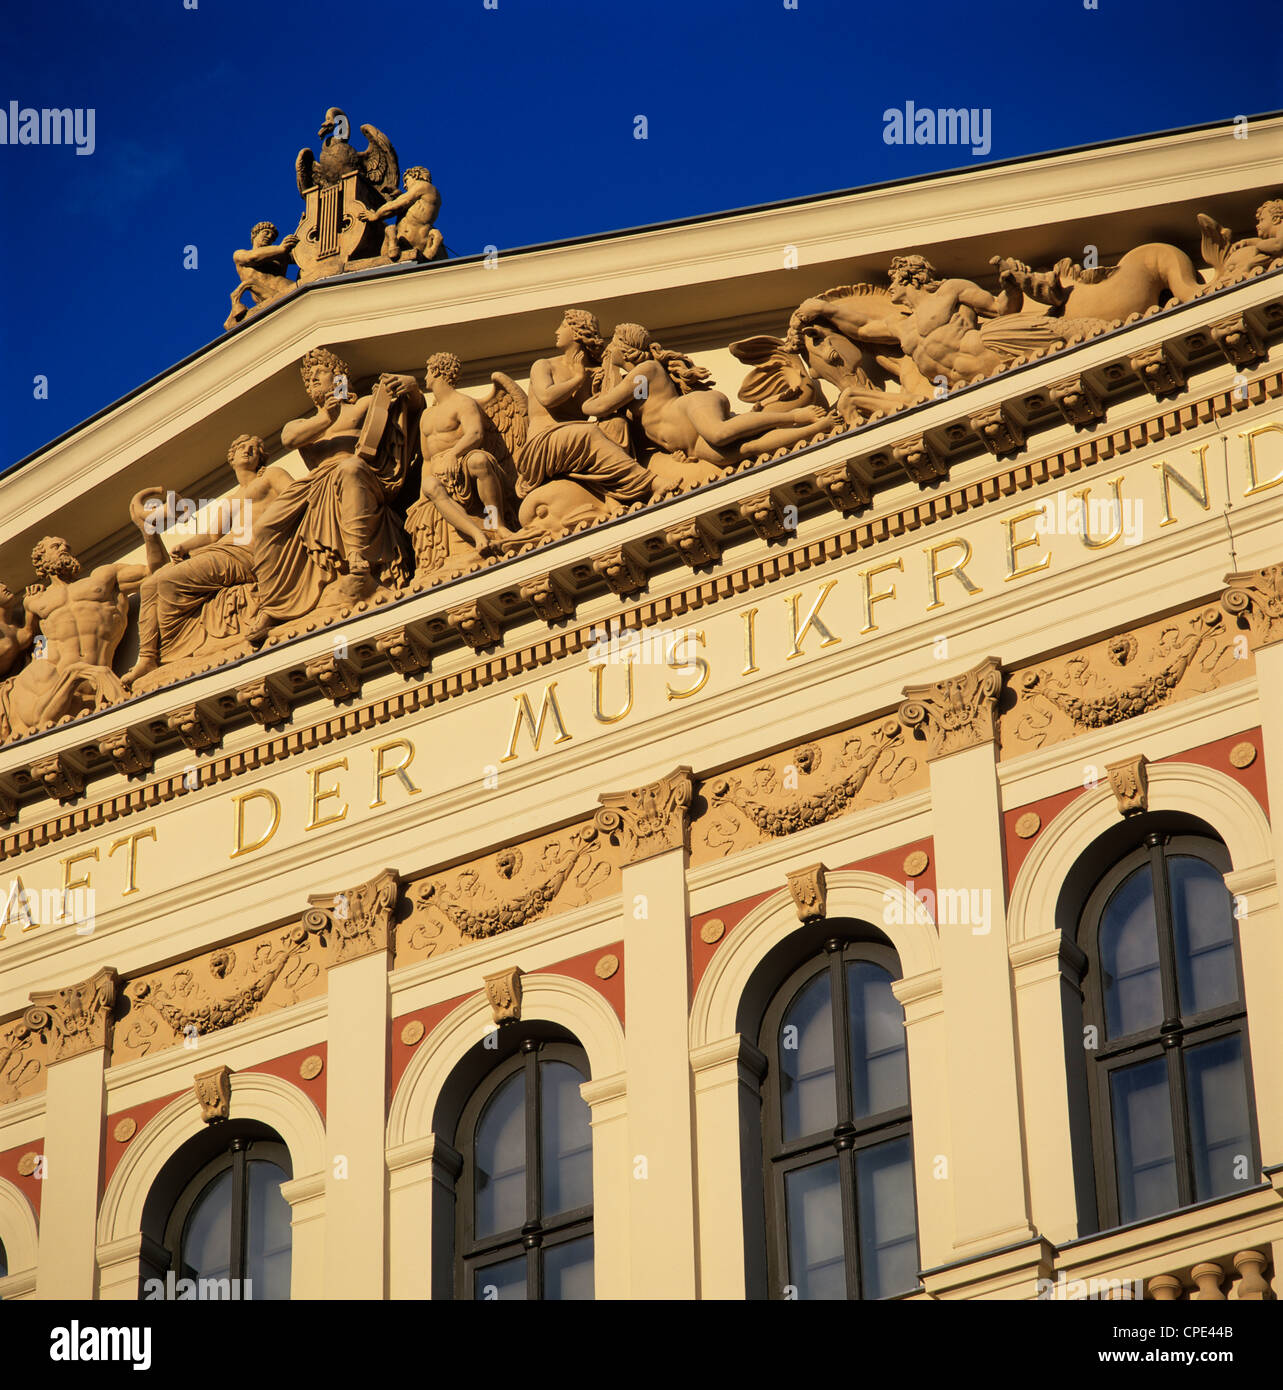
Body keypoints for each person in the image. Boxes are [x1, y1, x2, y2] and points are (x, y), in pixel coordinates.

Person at [246, 348, 419, 644]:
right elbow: (289, 440)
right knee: (263, 528)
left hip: (358, 476)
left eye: (320, 373)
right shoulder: (300, 424)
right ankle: (273, 604)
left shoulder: (362, 407)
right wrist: (326, 416)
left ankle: (357, 557)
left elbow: (409, 412)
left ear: (338, 376)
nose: (312, 379)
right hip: (313, 484)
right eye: (308, 378)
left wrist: (412, 387)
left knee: (350, 468)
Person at [122, 435, 293, 688]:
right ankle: (147, 658)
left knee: (169, 580)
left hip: (246, 555)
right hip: (221, 550)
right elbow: (212, 536)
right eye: (241, 447)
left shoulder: (270, 476)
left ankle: (172, 648)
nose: (248, 449)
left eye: (254, 448)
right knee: (150, 585)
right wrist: (184, 545)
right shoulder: (231, 499)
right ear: (231, 458)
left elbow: (297, 495)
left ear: (261, 457)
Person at [581, 322, 831, 467]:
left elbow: (601, 407)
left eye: (612, 343)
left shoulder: (645, 370)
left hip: (693, 409)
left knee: (719, 433)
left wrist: (587, 401)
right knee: (739, 452)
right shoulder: (631, 385)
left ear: (624, 349)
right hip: (691, 443)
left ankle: (796, 415)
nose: (609, 348)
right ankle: (814, 429)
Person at [0, 538, 157, 738]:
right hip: (55, 684)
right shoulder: (34, 601)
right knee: (40, 678)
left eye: (67, 545)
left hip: (93, 677)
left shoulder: (103, 578)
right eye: (56, 547)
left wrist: (149, 530)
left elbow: (155, 570)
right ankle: (73, 676)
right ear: (41, 560)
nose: (64, 548)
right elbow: (28, 638)